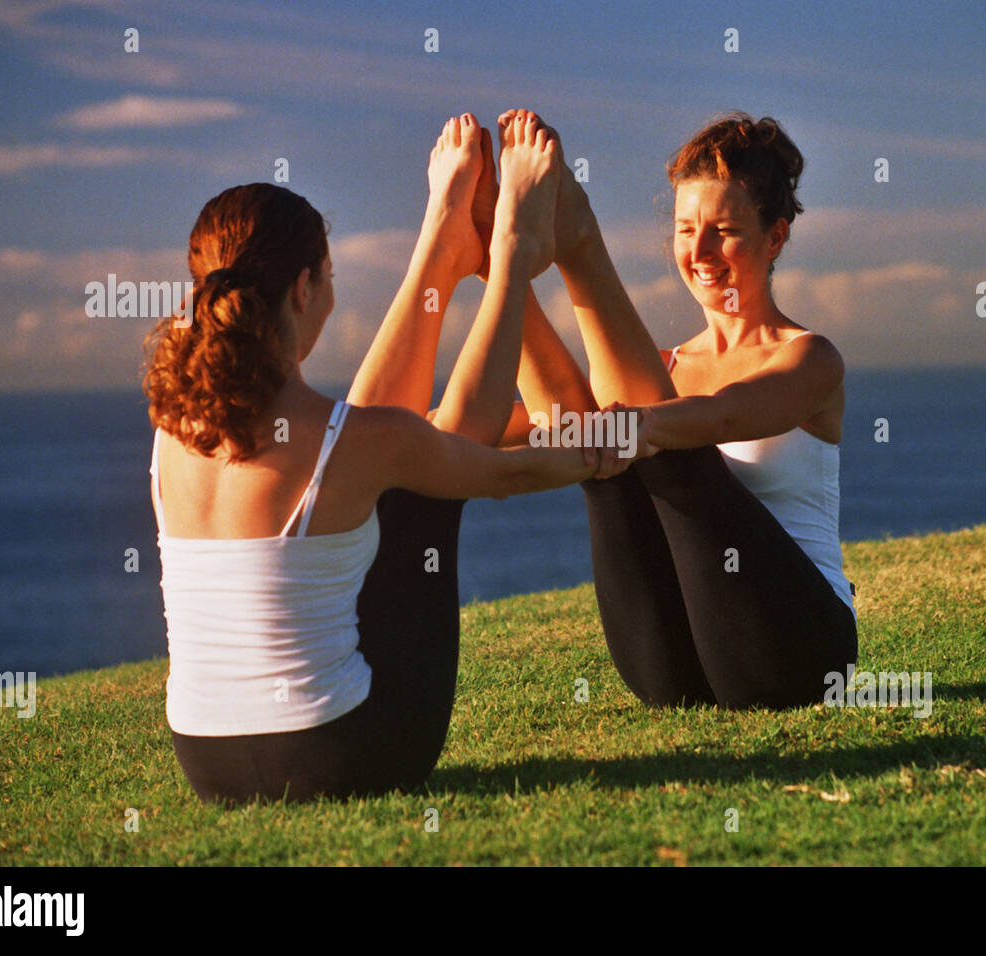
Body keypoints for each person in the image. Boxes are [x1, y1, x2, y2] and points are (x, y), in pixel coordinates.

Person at [142, 112, 632, 805]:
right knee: (421, 479)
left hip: (204, 763)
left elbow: (363, 445)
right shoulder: (361, 441)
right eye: (332, 277)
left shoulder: (171, 431)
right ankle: (506, 249)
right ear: (306, 289)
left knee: (389, 455)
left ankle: (445, 244)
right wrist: (596, 452)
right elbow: (506, 472)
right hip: (347, 753)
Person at [504, 109, 858, 709]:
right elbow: (547, 425)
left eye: (724, 229)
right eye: (685, 228)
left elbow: (719, 417)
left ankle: (579, 243)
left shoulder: (811, 361)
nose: (699, 251)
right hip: (676, 671)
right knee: (597, 445)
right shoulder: (656, 371)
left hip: (800, 654)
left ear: (775, 236)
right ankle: (504, 259)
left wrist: (626, 428)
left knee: (656, 442)